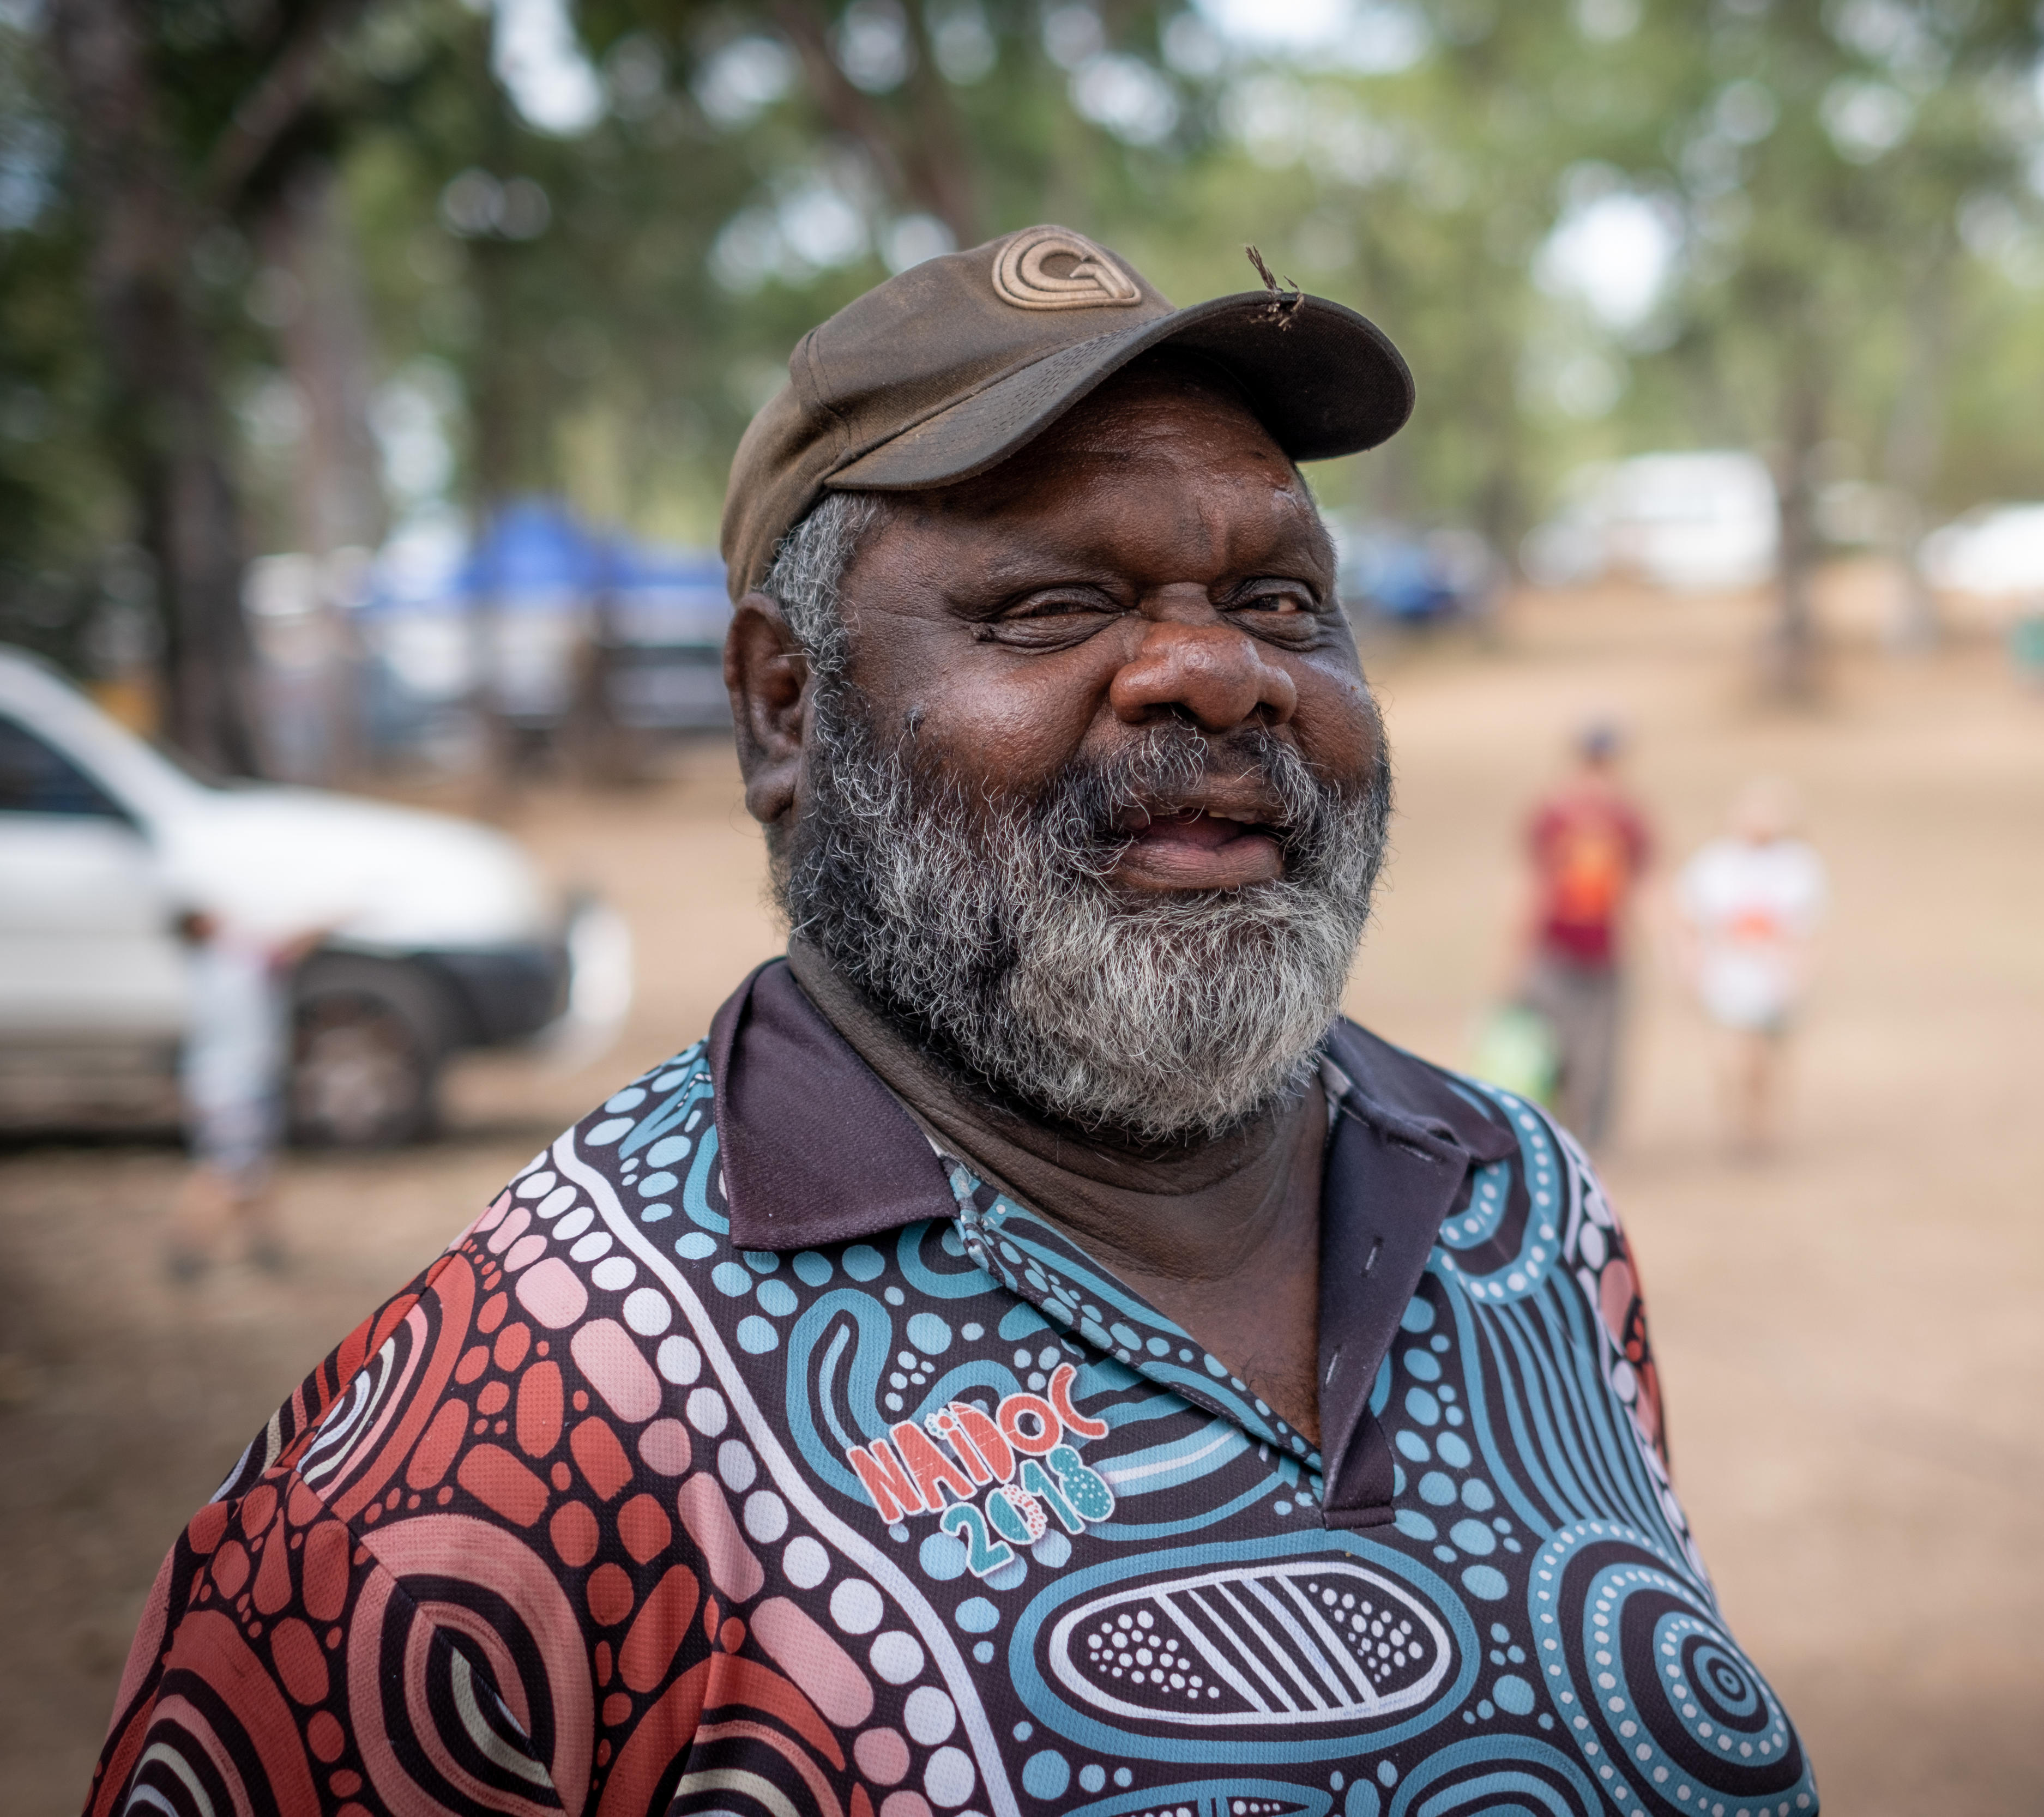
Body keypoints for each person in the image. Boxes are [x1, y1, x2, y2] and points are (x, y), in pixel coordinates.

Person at [94, 227, 1817, 1816]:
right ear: (785, 709)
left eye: (1284, 602)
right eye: (1053, 607)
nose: (1218, 675)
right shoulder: (512, 1420)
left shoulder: (1518, 1203)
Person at [1674, 782, 1828, 1157]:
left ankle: (1764, 1128)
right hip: (1728, 979)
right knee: (1736, 1058)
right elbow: (1689, 919)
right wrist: (1690, 964)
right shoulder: (1714, 864)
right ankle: (1738, 1127)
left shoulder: (1798, 866)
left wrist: (1802, 973)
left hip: (1776, 980)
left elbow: (1809, 927)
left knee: (1769, 1060)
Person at [1518, 721, 1649, 1146]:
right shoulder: (1553, 816)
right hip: (1555, 948)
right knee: (1556, 1046)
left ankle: (1590, 1140)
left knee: (1602, 1053)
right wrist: (1514, 953)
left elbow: (1642, 887)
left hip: (1607, 952)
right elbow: (1531, 885)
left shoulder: (1628, 819)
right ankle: (1559, 1128)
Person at [165, 908, 309, 1278]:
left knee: (255, 1168)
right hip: (236, 1086)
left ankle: (265, 1246)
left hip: (219, 1084)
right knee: (228, 1172)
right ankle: (188, 1249)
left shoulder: (205, 968)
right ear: (199, 925)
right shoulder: (232, 965)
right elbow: (290, 946)